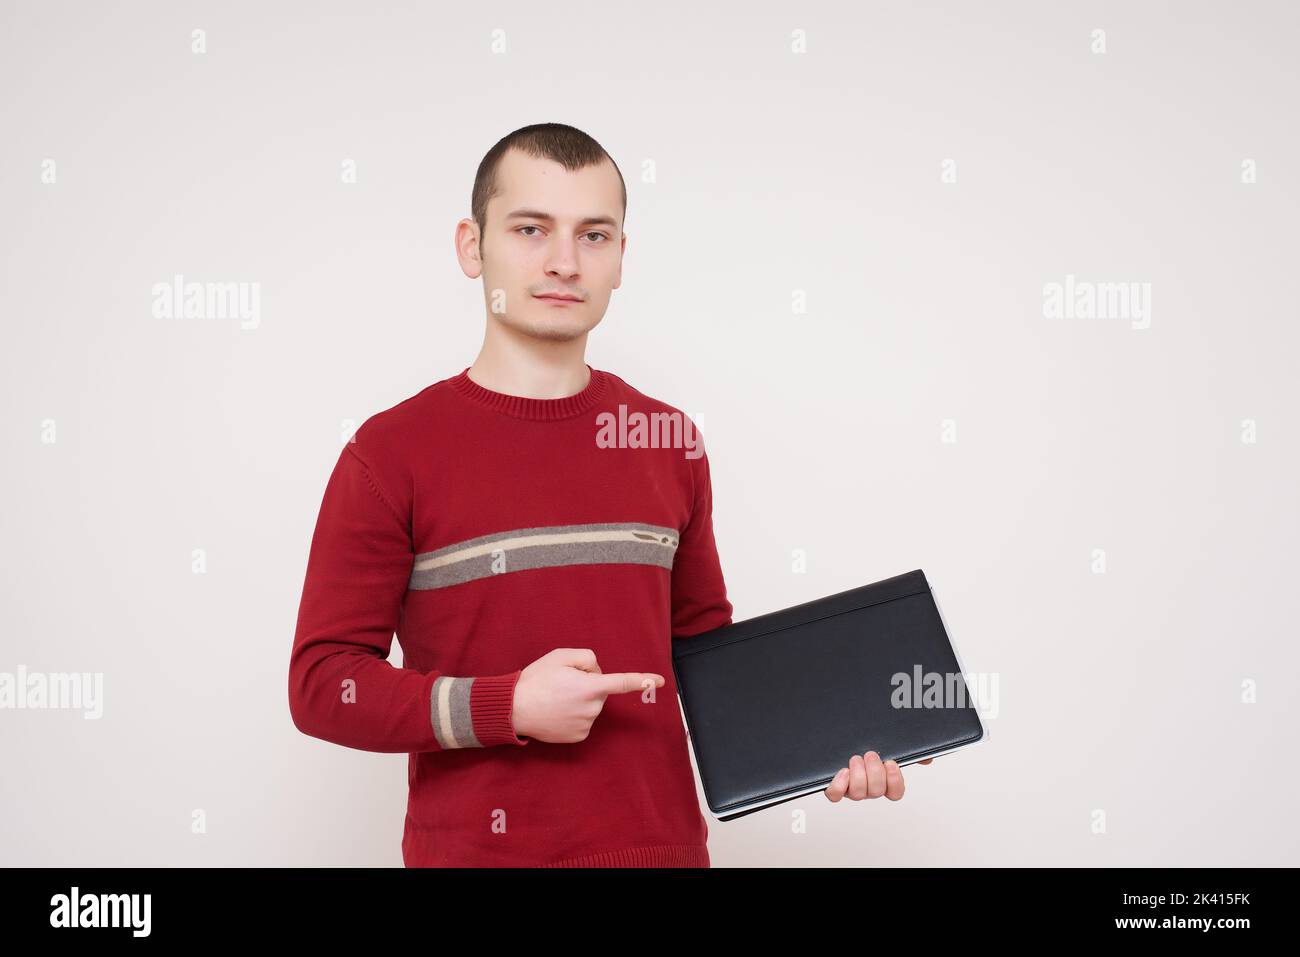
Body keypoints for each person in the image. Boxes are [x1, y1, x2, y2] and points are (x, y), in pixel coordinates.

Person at [288, 122, 927, 867]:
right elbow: (324, 682)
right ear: (472, 246)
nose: (565, 262)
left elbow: (704, 660)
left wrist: (841, 734)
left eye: (594, 235)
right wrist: (508, 707)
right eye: (532, 229)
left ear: (622, 257)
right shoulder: (388, 453)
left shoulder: (665, 439)